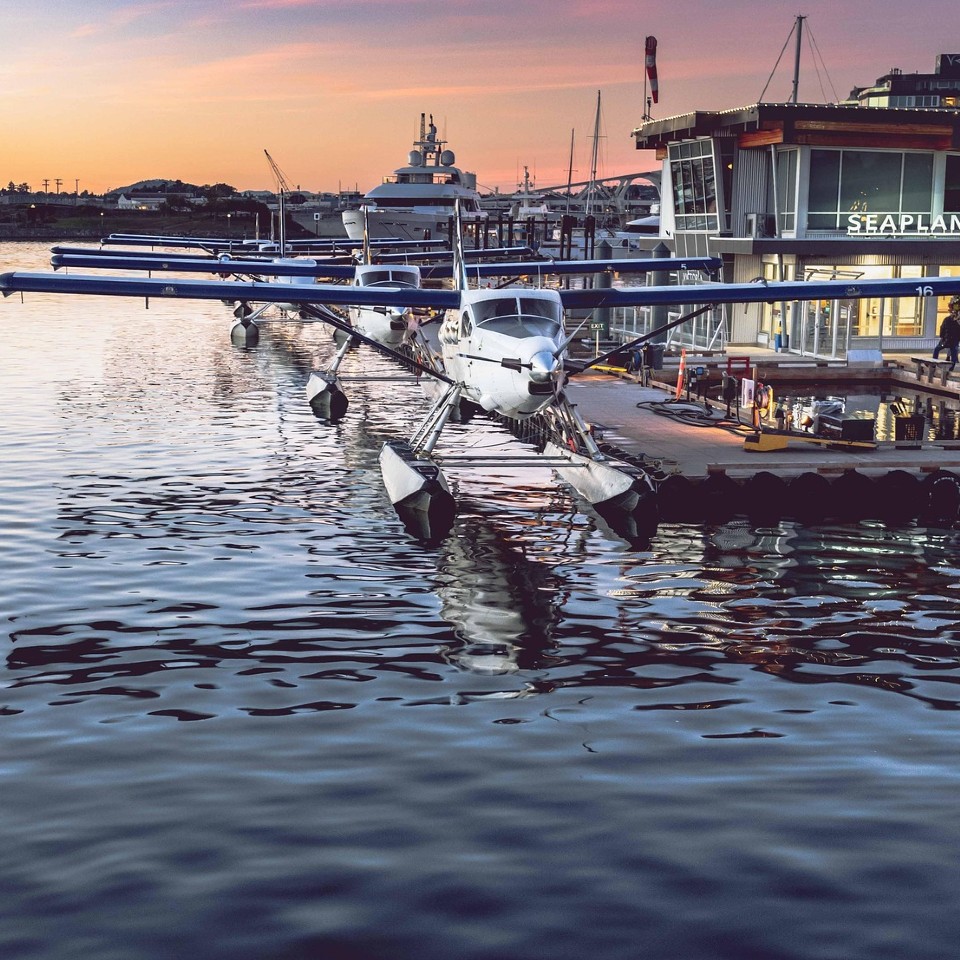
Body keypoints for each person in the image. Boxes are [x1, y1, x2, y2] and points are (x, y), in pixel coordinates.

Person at [933, 296, 960, 370]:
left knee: (937, 349)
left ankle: (933, 363)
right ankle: (951, 367)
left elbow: (942, 328)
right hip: (952, 340)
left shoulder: (947, 319)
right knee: (953, 353)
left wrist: (942, 337)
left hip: (947, 339)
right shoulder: (956, 322)